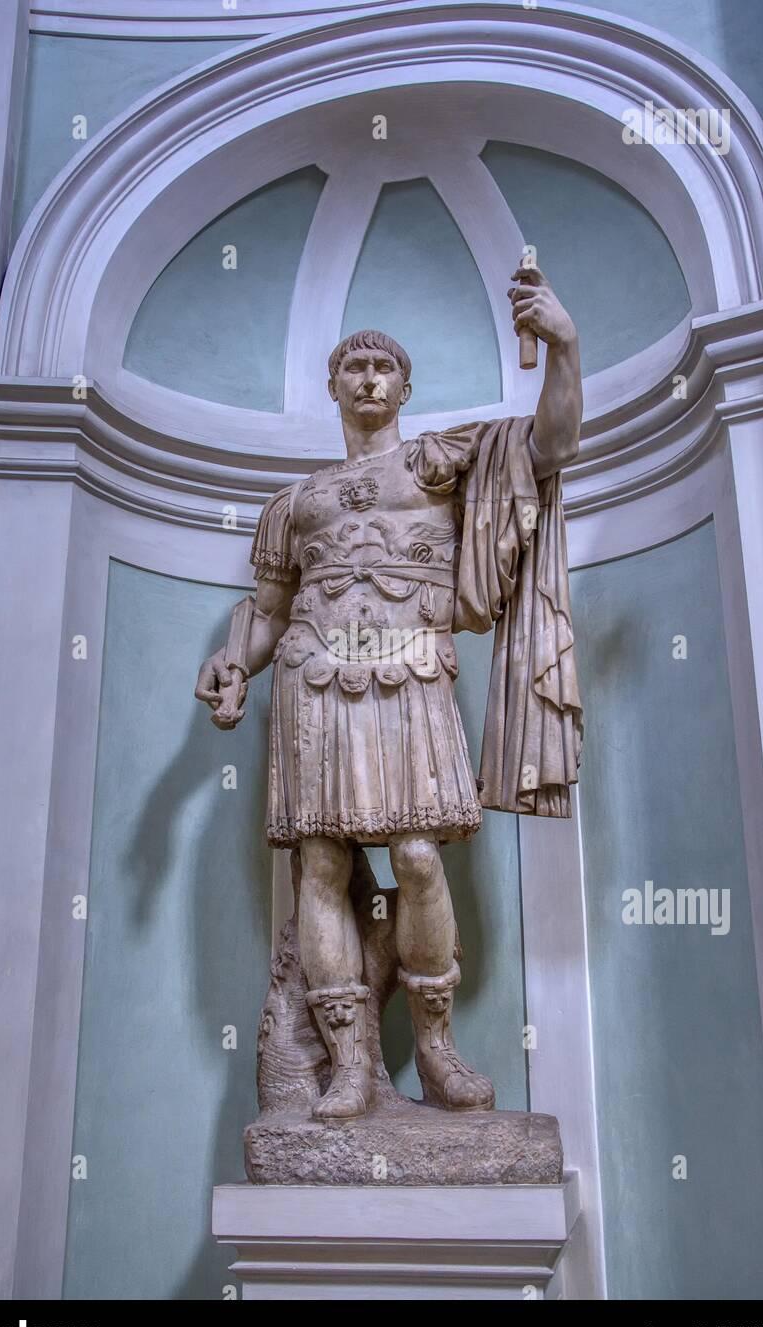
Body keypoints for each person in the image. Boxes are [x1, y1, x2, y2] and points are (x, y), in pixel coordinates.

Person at [195, 265, 583, 1119]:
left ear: (407, 386)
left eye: (384, 368)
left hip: (410, 669)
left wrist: (562, 346)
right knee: (323, 865)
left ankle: (438, 1050)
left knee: (414, 856)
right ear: (332, 386)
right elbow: (267, 612)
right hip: (312, 679)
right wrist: (234, 663)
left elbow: (550, 450)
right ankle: (350, 1063)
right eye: (353, 368)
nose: (369, 378)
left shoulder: (444, 462)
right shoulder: (294, 503)